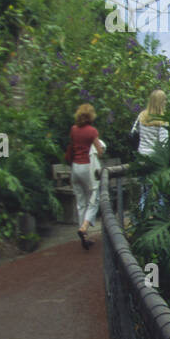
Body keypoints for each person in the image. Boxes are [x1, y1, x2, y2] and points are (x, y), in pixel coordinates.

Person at [69, 103, 105, 250]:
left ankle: (84, 235)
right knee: (94, 198)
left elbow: (73, 145)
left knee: (81, 202)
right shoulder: (92, 131)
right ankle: (84, 227)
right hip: (87, 167)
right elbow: (99, 151)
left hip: (75, 167)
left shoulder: (73, 129)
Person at [132, 89, 170, 213]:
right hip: (156, 160)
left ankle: (140, 220)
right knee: (159, 192)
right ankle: (161, 216)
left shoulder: (141, 116)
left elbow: (133, 132)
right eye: (164, 100)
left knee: (145, 192)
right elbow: (164, 143)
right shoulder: (162, 120)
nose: (166, 102)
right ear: (161, 102)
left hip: (142, 157)